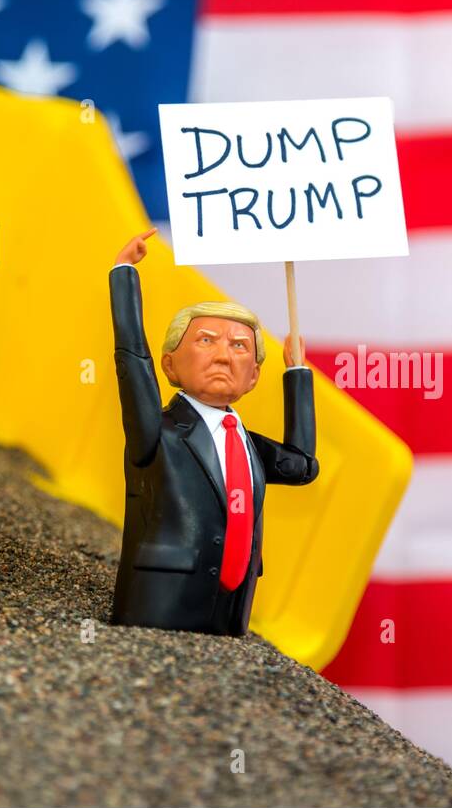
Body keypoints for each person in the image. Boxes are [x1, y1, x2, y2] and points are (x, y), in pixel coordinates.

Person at [108, 229, 318, 635]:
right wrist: (123, 276)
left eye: (240, 347)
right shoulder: (158, 433)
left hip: (230, 618)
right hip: (160, 613)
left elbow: (304, 465)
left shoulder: (246, 444)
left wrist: (297, 374)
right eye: (206, 340)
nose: (224, 354)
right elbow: (133, 361)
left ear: (255, 376)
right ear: (170, 366)